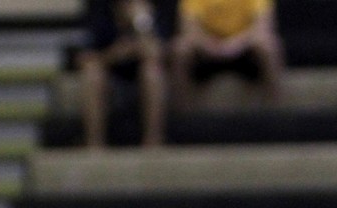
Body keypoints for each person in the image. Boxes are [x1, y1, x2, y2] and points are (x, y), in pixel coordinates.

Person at [78, 0, 166, 148]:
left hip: (141, 67)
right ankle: (94, 143)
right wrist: (115, 54)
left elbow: (157, 52)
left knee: (152, 72)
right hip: (109, 66)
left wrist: (142, 23)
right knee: (92, 74)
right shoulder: (99, 8)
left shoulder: (153, 8)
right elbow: (85, 58)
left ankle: (153, 141)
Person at [170, 0, 285, 109]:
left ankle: (275, 113)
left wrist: (233, 44)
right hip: (206, 51)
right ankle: (184, 116)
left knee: (269, 45)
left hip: (246, 50)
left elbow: (262, 27)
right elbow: (189, 29)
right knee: (180, 49)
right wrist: (211, 45)